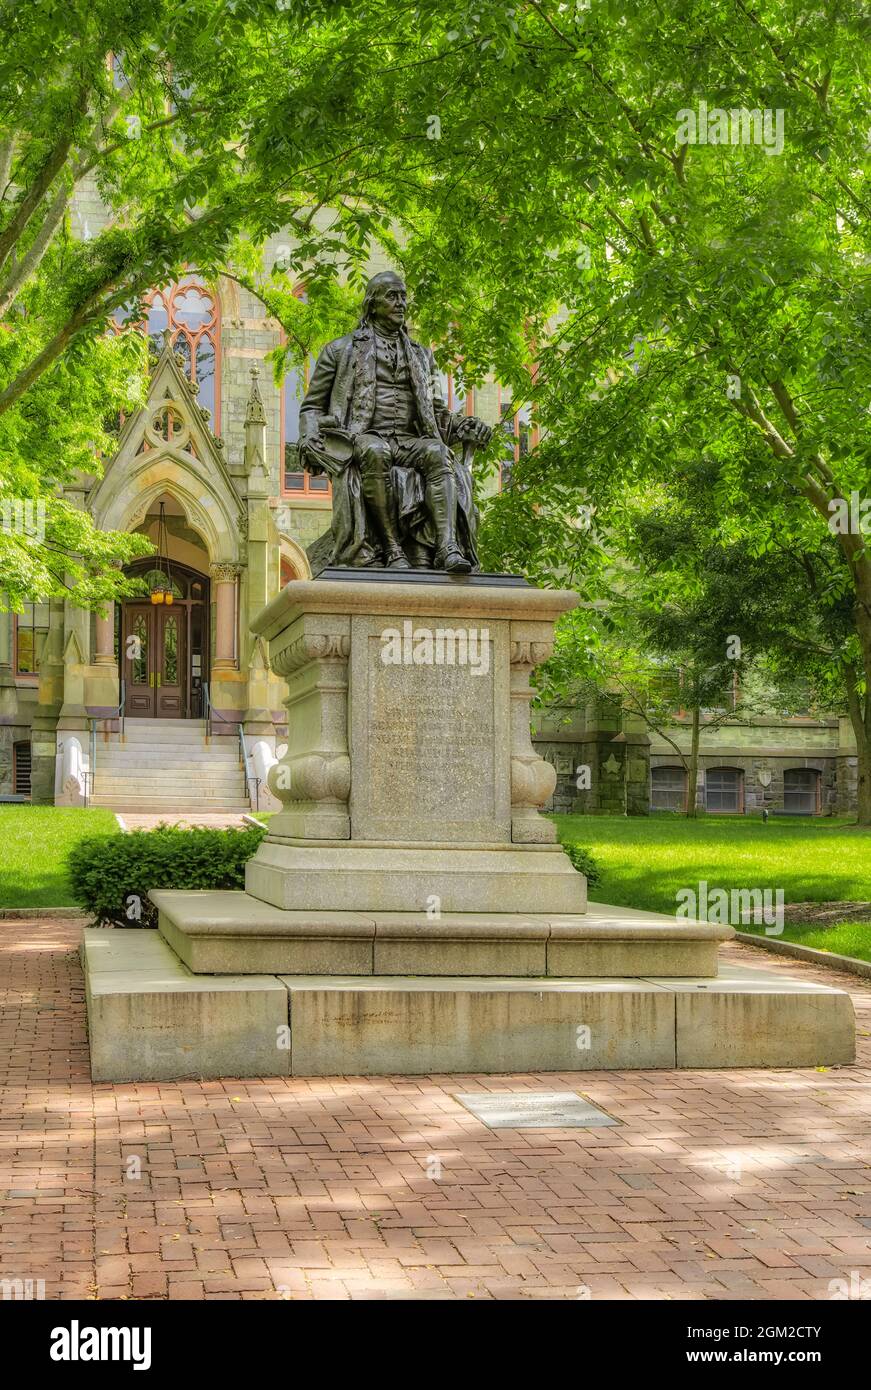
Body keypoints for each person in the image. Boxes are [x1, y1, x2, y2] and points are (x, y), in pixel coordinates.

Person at [299, 271, 491, 572]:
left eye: (403, 297)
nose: (401, 304)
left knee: (439, 454)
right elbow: (311, 407)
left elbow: (437, 412)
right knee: (376, 451)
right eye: (392, 296)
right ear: (373, 304)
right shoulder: (340, 350)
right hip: (362, 435)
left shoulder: (422, 355)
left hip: (409, 439)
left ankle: (447, 547)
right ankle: (391, 547)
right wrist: (309, 438)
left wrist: (465, 426)